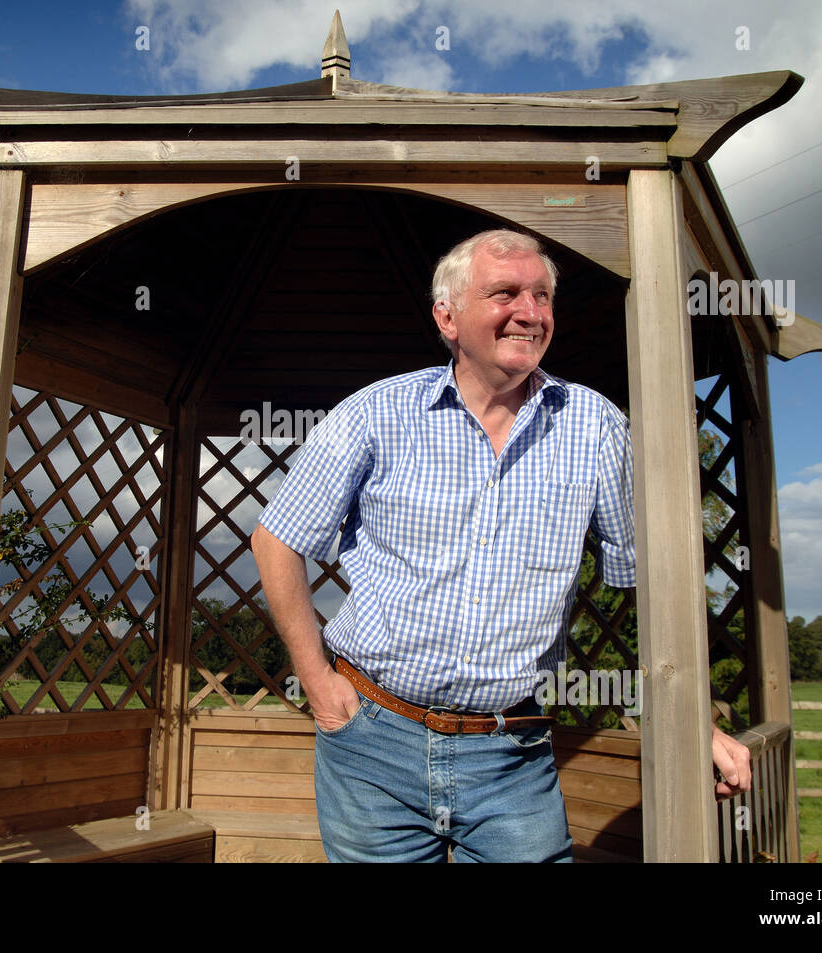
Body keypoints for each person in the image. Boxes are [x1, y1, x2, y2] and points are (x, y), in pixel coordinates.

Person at [250, 228, 751, 863]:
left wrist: (690, 721)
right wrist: (317, 683)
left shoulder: (594, 425)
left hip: (511, 751)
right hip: (370, 740)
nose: (530, 312)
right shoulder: (376, 414)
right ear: (447, 316)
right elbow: (276, 540)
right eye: (504, 293)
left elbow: (648, 584)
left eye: (541, 296)